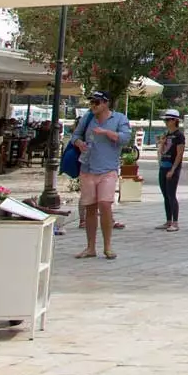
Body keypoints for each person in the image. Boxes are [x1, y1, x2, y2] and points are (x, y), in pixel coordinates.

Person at [71, 92, 131, 260]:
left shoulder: (119, 119)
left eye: (96, 102)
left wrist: (106, 133)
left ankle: (108, 246)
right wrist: (79, 143)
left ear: (106, 103)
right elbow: (75, 136)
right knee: (90, 207)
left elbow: (126, 138)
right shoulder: (87, 118)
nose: (93, 105)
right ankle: (90, 247)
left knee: (105, 204)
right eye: (91, 102)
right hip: (88, 167)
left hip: (108, 168)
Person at [157, 109, 185, 232]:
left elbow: (180, 154)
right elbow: (162, 152)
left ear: (175, 120)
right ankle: (168, 220)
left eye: (168, 120)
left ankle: (175, 222)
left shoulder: (179, 136)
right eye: (165, 120)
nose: (166, 122)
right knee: (165, 195)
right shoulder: (167, 134)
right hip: (163, 166)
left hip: (172, 167)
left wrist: (173, 169)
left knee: (171, 194)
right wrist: (161, 144)